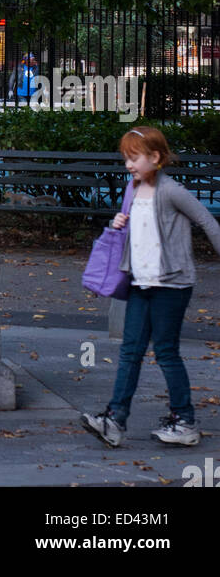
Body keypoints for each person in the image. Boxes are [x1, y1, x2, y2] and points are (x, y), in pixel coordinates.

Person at [81, 125, 220, 448]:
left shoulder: (172, 191)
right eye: (126, 158)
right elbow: (136, 232)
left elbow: (207, 221)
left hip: (172, 285)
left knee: (167, 352)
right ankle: (115, 420)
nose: (128, 164)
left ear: (155, 157)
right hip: (140, 284)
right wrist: (117, 223)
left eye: (134, 158)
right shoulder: (132, 188)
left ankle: (184, 421)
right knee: (130, 352)